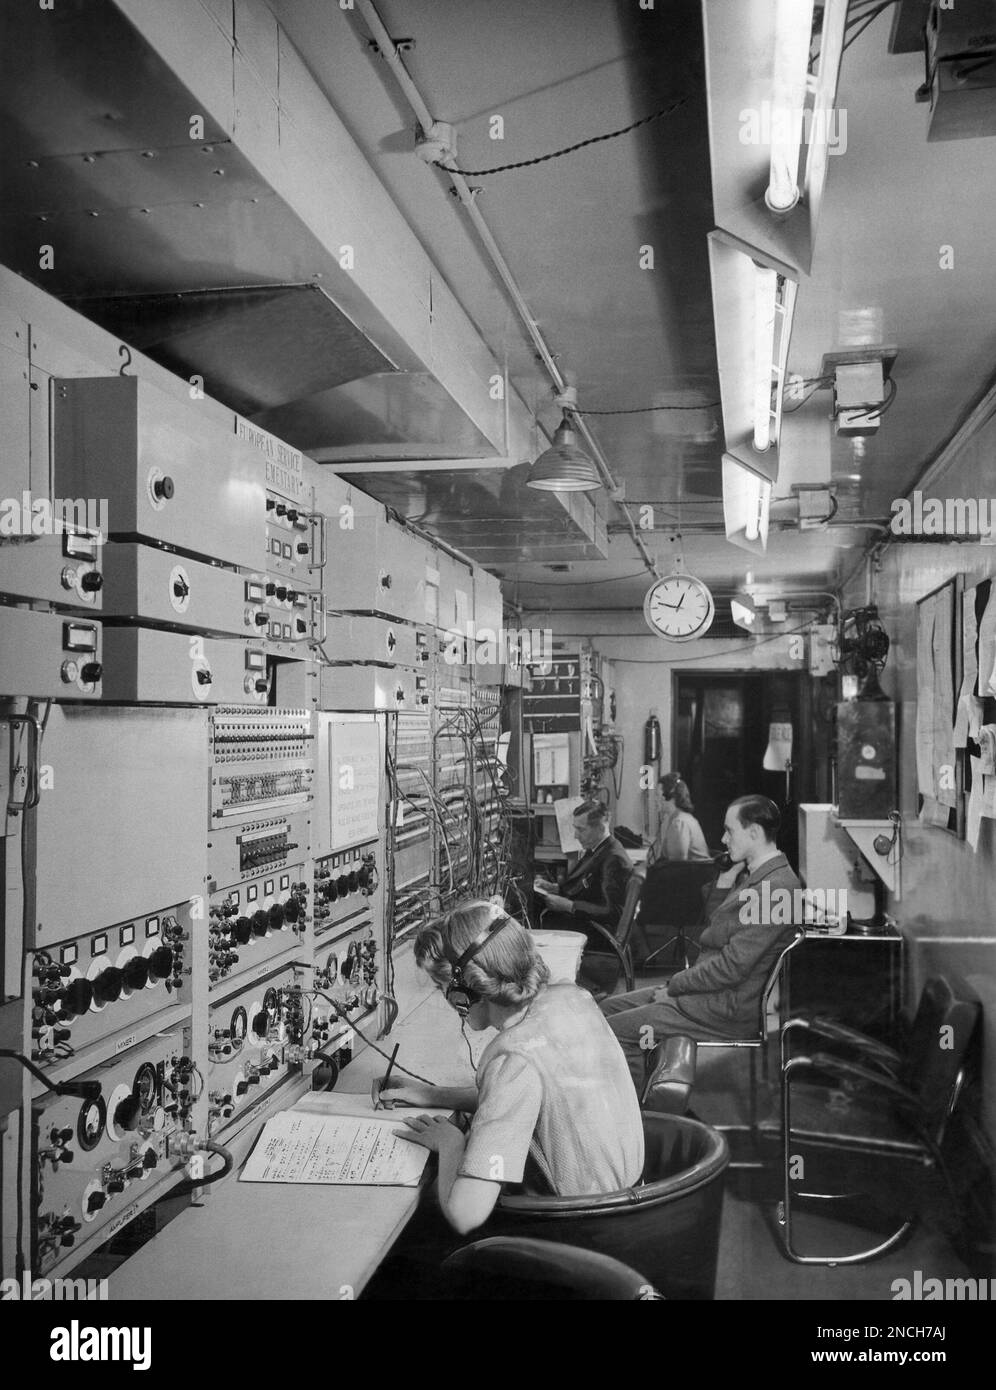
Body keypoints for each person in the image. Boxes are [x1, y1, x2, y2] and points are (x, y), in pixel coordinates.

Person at [384, 900, 645, 1235]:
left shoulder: (514, 1061)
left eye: (441, 988)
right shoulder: (571, 999)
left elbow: (466, 1216)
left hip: (575, 1236)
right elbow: (533, 1100)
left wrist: (450, 1143)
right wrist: (432, 1094)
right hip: (622, 1213)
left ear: (464, 991)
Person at [602, 794, 801, 1091]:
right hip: (707, 993)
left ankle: (643, 1119)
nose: (723, 838)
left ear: (755, 833)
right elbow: (717, 927)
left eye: (729, 830)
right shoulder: (757, 875)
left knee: (612, 1032)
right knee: (601, 1010)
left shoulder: (775, 888)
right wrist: (724, 883)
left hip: (723, 1007)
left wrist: (673, 987)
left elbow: (732, 968)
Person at [533, 800, 632, 952]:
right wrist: (556, 889)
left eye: (581, 830)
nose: (575, 835)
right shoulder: (597, 849)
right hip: (588, 923)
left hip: (599, 935)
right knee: (533, 899)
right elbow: (589, 888)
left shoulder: (613, 858)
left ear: (600, 827)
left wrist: (569, 906)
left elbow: (613, 912)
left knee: (535, 914)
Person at [647, 771, 711, 864]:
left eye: (657, 795)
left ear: (669, 796)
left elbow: (677, 867)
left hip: (694, 876)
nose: (655, 800)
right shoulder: (680, 818)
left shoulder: (679, 822)